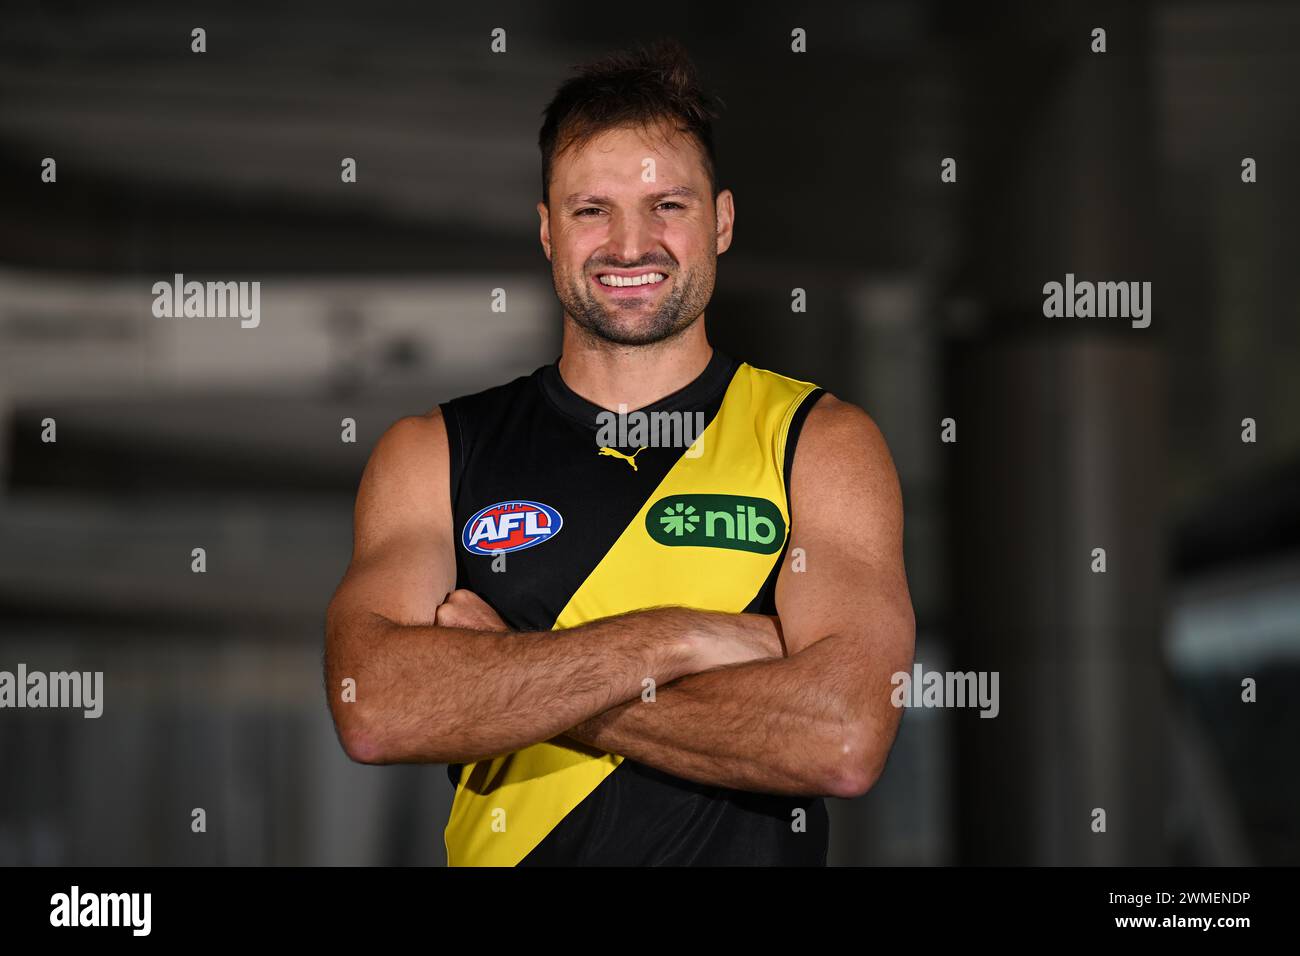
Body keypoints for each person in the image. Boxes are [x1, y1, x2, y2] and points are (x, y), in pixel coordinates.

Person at [325, 39, 915, 866]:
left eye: (667, 205)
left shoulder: (817, 442)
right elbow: (378, 708)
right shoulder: (432, 453)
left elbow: (842, 737)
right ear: (546, 232)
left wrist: (502, 673)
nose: (630, 246)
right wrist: (678, 640)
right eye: (591, 209)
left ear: (723, 220)